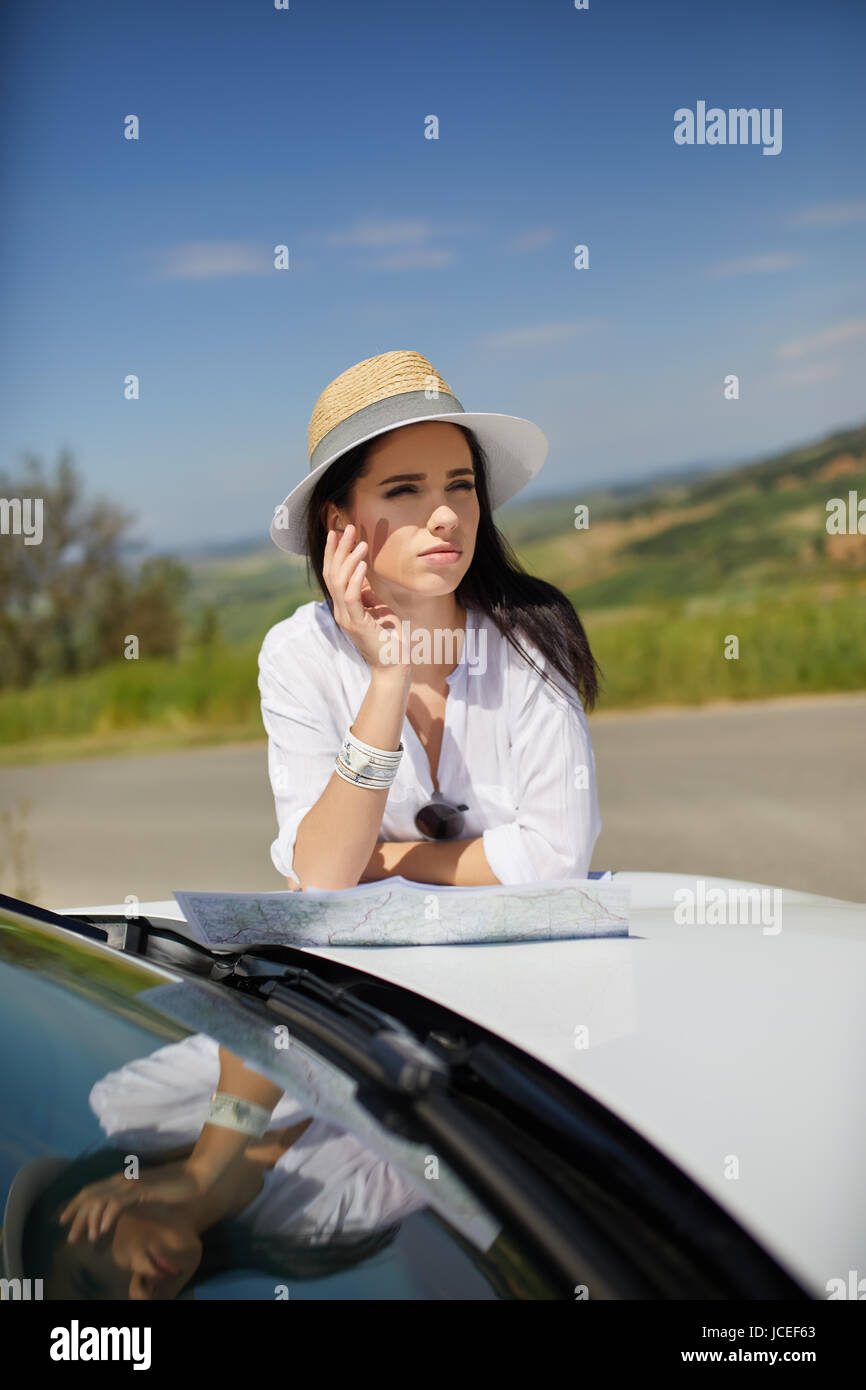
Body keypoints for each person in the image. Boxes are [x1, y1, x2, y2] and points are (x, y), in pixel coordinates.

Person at [259, 348, 603, 892]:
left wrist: (377, 862)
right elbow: (322, 877)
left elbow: (557, 859)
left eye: (460, 486)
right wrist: (389, 678)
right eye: (404, 489)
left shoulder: (532, 636)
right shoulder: (297, 654)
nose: (446, 516)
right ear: (337, 518)